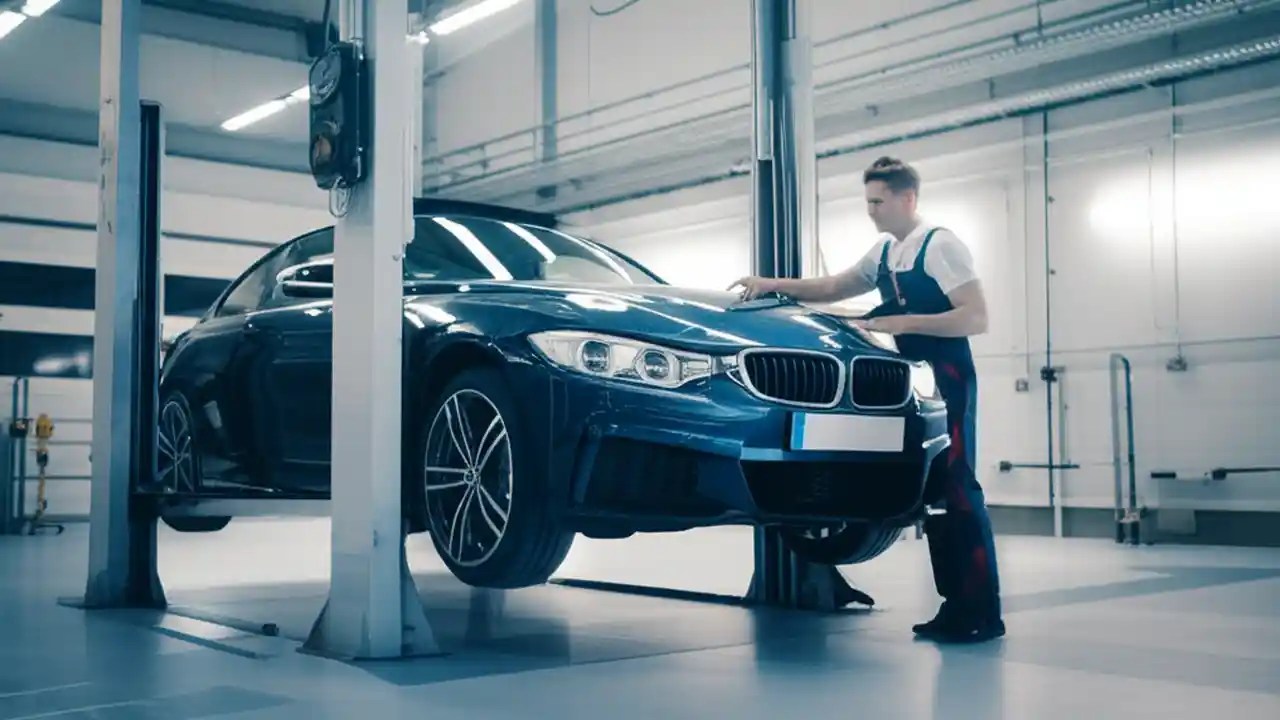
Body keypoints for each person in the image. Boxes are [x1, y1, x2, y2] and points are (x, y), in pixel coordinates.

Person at [728, 156, 1004, 643]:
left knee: (957, 489)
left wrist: (902, 323)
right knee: (932, 496)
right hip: (907, 386)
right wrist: (772, 285)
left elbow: (975, 317)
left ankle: (983, 611)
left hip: (947, 378)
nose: (871, 211)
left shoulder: (941, 246)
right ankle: (956, 607)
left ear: (907, 198)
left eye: (878, 202)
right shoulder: (885, 251)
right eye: (868, 202)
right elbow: (835, 286)